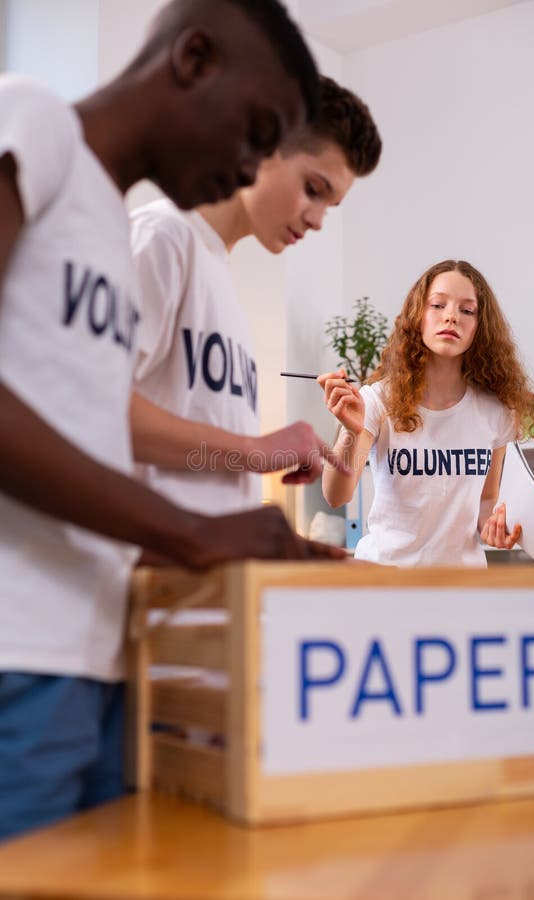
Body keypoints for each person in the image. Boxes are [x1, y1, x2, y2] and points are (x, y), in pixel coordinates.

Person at [0, 0, 346, 843]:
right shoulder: (33, 119)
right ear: (194, 58)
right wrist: (195, 531)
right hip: (19, 653)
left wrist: (255, 547)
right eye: (257, 131)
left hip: (97, 657)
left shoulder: (110, 240)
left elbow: (87, 460)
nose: (247, 165)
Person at [128, 75, 382, 514]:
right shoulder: (162, 240)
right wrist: (253, 449)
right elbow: (95, 412)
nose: (319, 220)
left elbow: (197, 456)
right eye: (313, 189)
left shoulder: (219, 277)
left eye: (330, 206)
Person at [318, 259, 534, 567]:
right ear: (418, 316)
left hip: (461, 586)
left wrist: (495, 530)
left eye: (467, 310)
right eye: (438, 305)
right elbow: (336, 495)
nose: (451, 317)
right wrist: (351, 433)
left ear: (480, 327)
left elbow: (487, 500)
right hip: (387, 581)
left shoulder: (495, 412)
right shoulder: (378, 400)